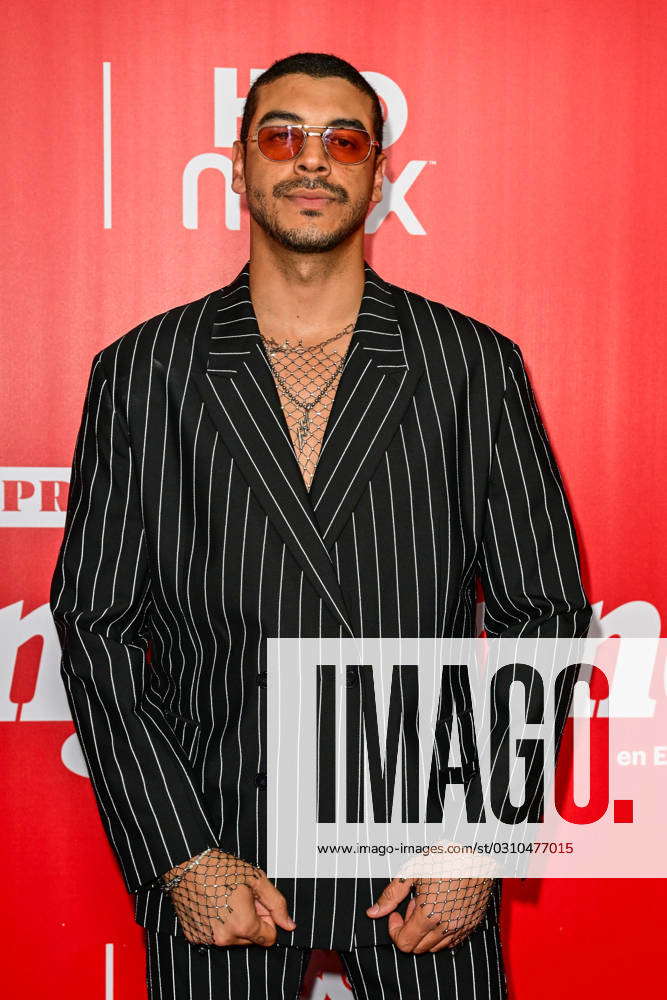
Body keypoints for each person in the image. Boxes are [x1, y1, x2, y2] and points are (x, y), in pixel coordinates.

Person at [50, 51, 592, 1000]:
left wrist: (478, 838)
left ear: (378, 176)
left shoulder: (469, 366)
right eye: (282, 136)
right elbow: (95, 625)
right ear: (237, 164)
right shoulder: (145, 371)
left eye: (343, 140)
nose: (311, 159)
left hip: (421, 852)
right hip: (222, 844)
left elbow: (542, 610)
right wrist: (179, 854)